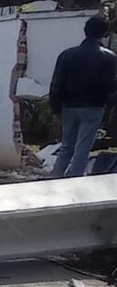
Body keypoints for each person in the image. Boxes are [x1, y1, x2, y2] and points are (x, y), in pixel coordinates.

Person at [49, 15, 117, 177]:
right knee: (83, 146)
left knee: (67, 144)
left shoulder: (67, 55)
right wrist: (108, 106)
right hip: (94, 106)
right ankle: (75, 178)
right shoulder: (110, 57)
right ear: (105, 33)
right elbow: (111, 86)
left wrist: (55, 106)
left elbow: (57, 83)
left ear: (85, 31)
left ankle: (55, 175)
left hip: (69, 105)